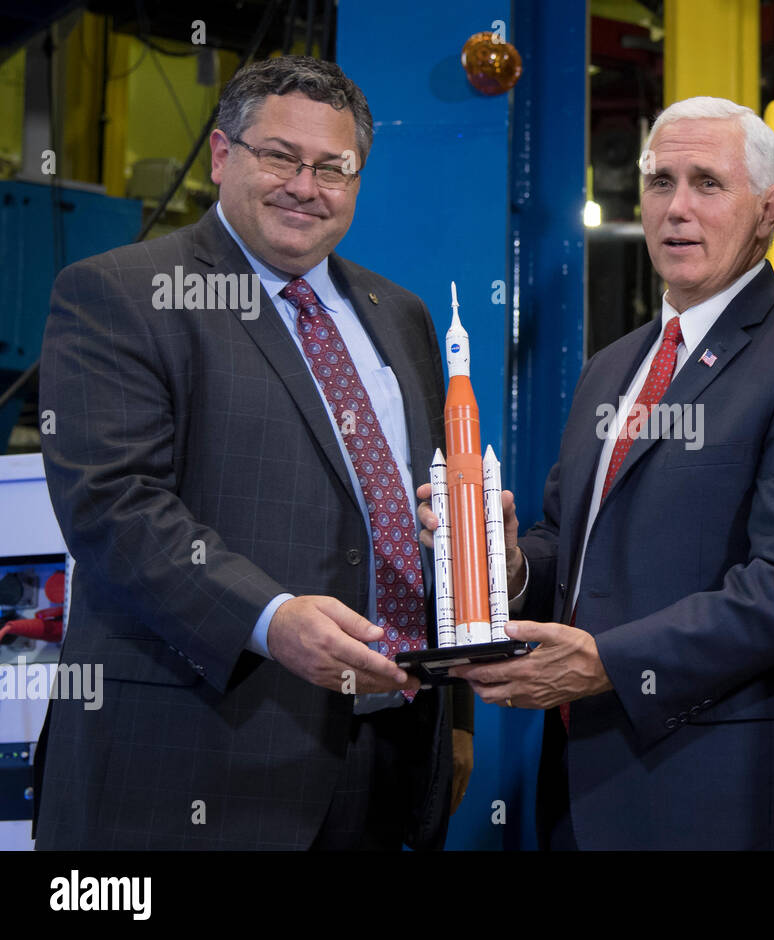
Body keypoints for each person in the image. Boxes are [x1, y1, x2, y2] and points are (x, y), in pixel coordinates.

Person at [420, 96, 774, 850]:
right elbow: (566, 545)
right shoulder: (613, 368)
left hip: (720, 794)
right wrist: (507, 566)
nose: (676, 208)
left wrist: (607, 664)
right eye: (659, 181)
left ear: (768, 210)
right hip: (581, 786)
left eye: (708, 183)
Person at [34, 56, 473, 850]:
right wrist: (270, 620)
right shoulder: (120, 293)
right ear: (220, 156)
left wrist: (458, 710)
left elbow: (420, 515)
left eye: (334, 167)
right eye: (280, 156)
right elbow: (113, 506)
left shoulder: (398, 314)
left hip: (388, 751)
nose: (306, 187)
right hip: (198, 755)